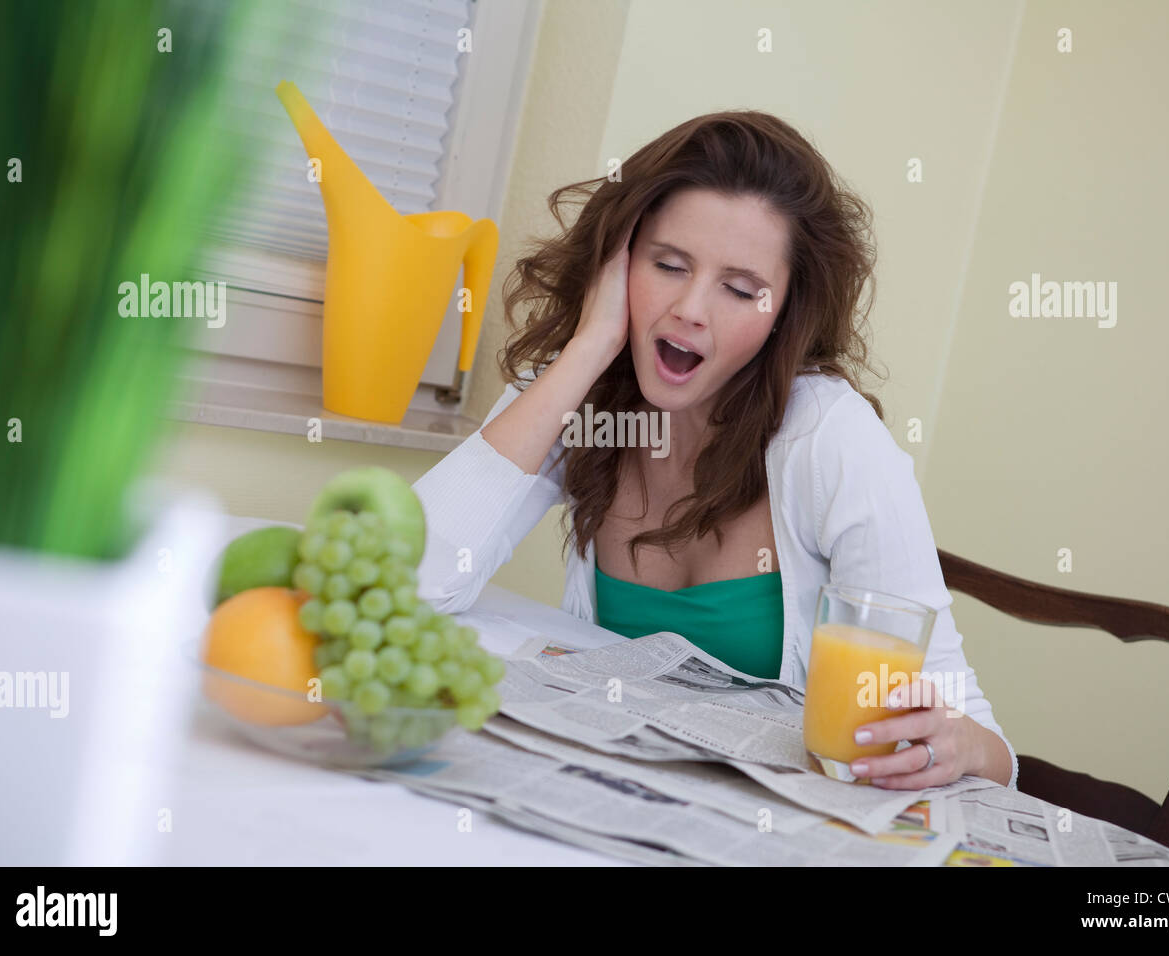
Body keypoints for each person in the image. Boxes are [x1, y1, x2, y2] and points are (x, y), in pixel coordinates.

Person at [412, 111, 1016, 790]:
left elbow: (984, 742)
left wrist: (955, 745)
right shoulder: (581, 392)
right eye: (667, 265)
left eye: (739, 289)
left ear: (786, 311)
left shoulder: (829, 441)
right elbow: (412, 581)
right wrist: (587, 346)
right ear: (619, 262)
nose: (691, 309)